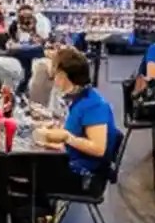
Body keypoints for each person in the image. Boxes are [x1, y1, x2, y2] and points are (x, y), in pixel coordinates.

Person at [33, 46, 123, 193]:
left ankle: (37, 212)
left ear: (63, 76)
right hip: (76, 164)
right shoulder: (80, 99)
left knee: (30, 173)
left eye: (56, 75)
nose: (54, 80)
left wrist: (67, 138)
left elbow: (98, 149)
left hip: (86, 176)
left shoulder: (93, 105)